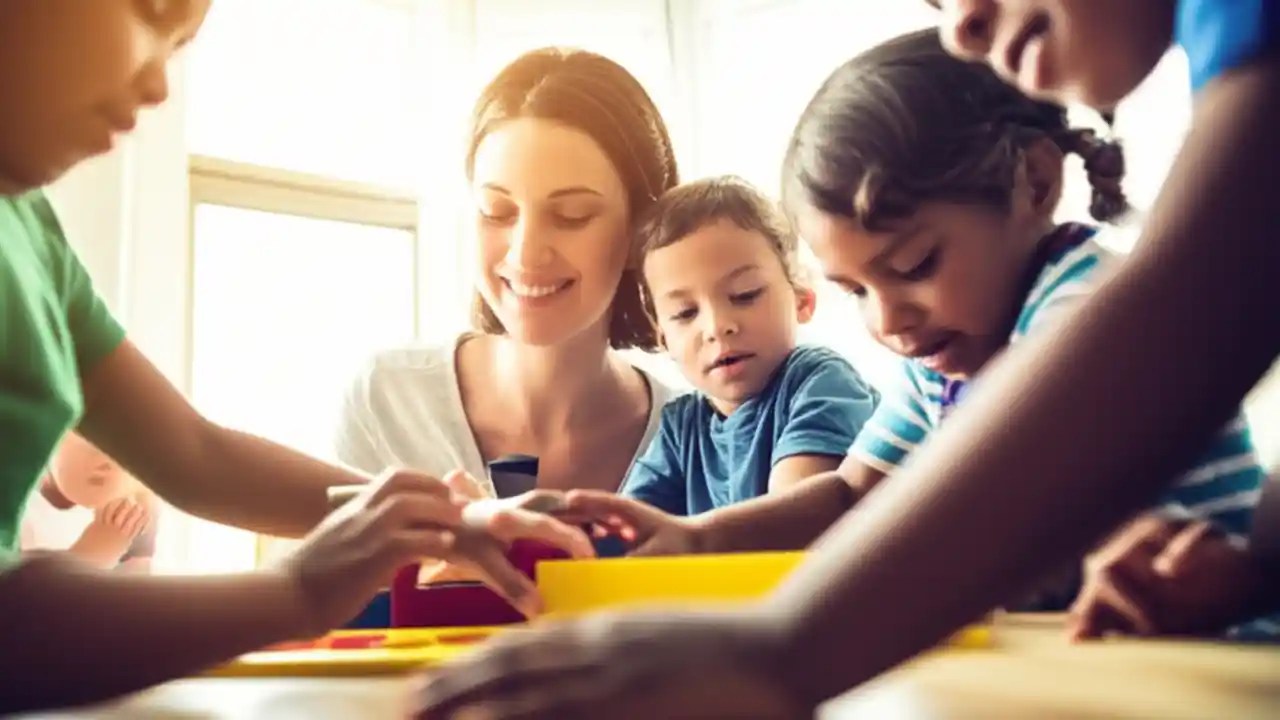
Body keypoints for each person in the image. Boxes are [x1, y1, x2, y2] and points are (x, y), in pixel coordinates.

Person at [413, 0, 1280, 714]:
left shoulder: (1076, 299)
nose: (965, 28)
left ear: (1036, 185)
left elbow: (1174, 320)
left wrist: (787, 646)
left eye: (913, 268)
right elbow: (853, 492)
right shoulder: (934, 361)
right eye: (858, 291)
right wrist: (694, 539)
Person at [0, 2, 592, 712]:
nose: (161, 87)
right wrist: (294, 591)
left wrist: (423, 523)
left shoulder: (29, 228)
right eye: (153, 13)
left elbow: (195, 454)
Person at [334, 48, 683, 501]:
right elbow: (316, 566)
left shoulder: (694, 435)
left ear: (642, 229)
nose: (526, 253)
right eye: (496, 211)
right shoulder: (385, 399)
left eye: (572, 215)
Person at [620, 175, 877, 515]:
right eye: (685, 313)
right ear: (663, 338)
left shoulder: (822, 383)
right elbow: (626, 532)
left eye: (745, 295)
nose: (716, 327)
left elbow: (788, 521)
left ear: (801, 299)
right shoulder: (679, 429)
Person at [20, 431, 158, 571]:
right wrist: (90, 558)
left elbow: (137, 580)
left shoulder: (134, 509)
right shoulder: (16, 497)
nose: (108, 459)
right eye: (91, 438)